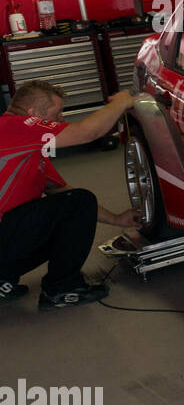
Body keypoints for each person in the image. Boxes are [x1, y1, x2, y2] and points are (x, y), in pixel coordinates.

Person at [0, 80, 140, 309]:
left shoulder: (29, 151)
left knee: (70, 208)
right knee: (80, 202)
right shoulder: (16, 126)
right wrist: (122, 102)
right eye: (57, 114)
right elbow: (88, 133)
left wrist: (116, 219)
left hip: (6, 234)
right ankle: (61, 290)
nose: (61, 120)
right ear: (33, 114)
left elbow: (62, 192)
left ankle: (3, 276)